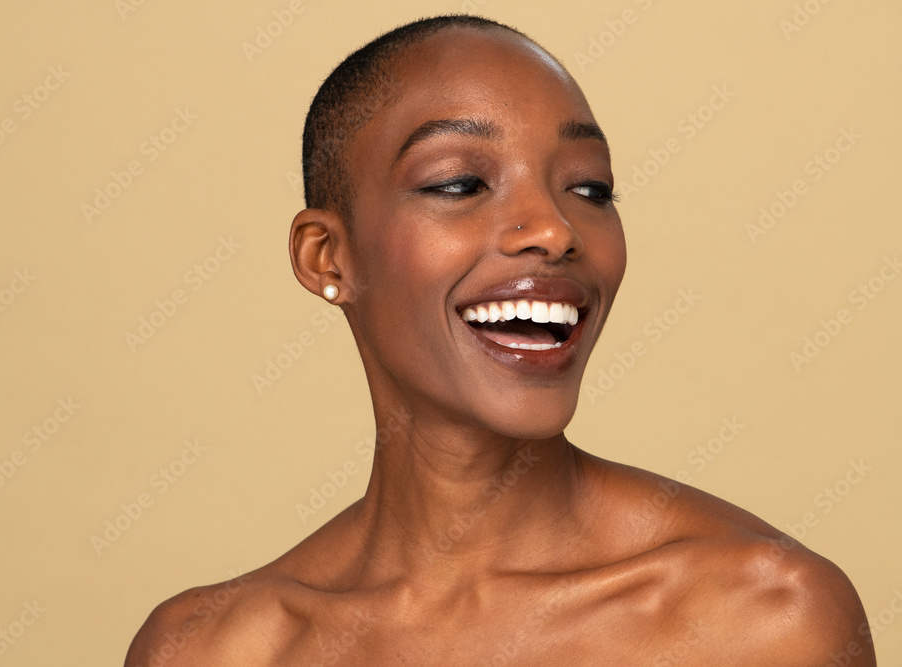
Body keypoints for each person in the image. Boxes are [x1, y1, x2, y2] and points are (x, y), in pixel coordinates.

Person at [125, 15, 875, 666]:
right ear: (330, 257)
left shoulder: (762, 616)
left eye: (589, 188)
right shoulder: (205, 648)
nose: (554, 229)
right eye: (458, 184)